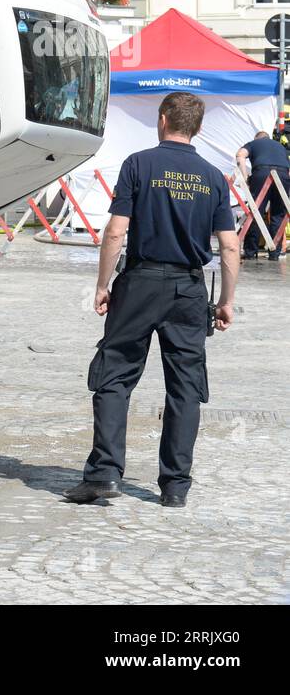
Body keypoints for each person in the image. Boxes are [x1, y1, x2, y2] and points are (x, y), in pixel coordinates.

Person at [65, 92, 239, 509]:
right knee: (185, 388)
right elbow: (230, 247)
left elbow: (115, 231)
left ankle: (105, 473)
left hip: (140, 282)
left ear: (163, 120)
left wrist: (103, 284)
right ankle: (175, 486)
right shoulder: (214, 176)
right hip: (189, 289)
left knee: (115, 375)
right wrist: (226, 301)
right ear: (196, 127)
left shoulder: (138, 164)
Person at [235, 129, 290, 260]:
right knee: (278, 214)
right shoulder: (280, 146)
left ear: (257, 138)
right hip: (283, 174)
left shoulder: (254, 143)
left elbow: (240, 155)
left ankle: (250, 252)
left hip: (262, 173)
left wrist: (244, 176)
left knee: (255, 212)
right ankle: (274, 253)